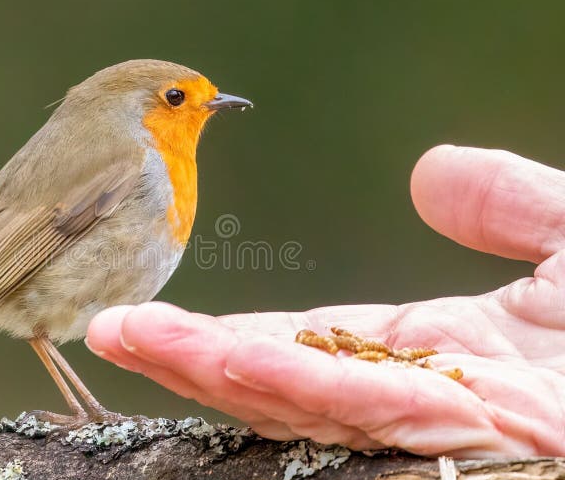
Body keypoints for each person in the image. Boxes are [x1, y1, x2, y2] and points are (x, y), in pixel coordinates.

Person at [86, 145, 565, 458]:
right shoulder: (132, 159)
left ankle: (93, 413)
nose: (210, 106)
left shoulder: (166, 164)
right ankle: (92, 413)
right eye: (177, 98)